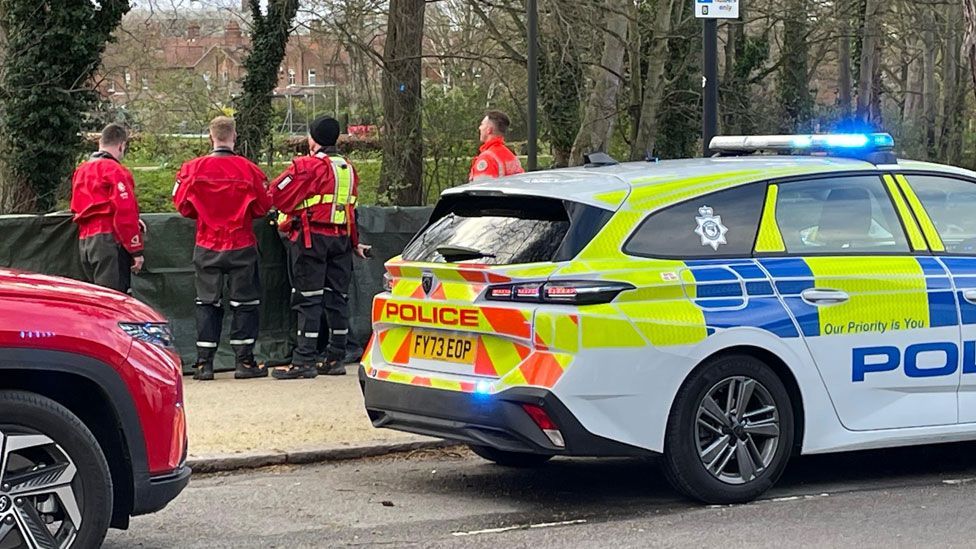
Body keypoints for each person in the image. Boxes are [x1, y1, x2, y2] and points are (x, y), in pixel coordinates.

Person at [270, 116, 370, 380]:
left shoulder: (307, 166)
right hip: (341, 240)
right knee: (337, 299)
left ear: (313, 139)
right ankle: (336, 357)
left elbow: (275, 193)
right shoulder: (347, 168)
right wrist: (355, 242)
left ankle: (304, 360)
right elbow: (350, 210)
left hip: (311, 240)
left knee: (308, 299)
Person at [173, 116, 272, 381]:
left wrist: (205, 215)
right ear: (234, 137)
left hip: (207, 243)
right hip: (241, 243)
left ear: (211, 137)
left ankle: (204, 364)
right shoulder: (250, 170)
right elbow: (263, 206)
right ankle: (244, 362)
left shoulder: (192, 169)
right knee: (245, 303)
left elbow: (182, 205)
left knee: (207, 302)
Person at [70, 123, 144, 294]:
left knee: (95, 297)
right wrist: (136, 250)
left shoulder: (81, 171)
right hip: (108, 239)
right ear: (121, 146)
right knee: (113, 297)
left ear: (100, 142)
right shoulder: (115, 171)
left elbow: (76, 206)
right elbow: (125, 211)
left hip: (85, 241)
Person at [468, 110, 525, 181]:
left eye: (482, 124)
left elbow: (481, 187)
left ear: (489, 130)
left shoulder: (487, 158)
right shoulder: (510, 155)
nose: (480, 128)